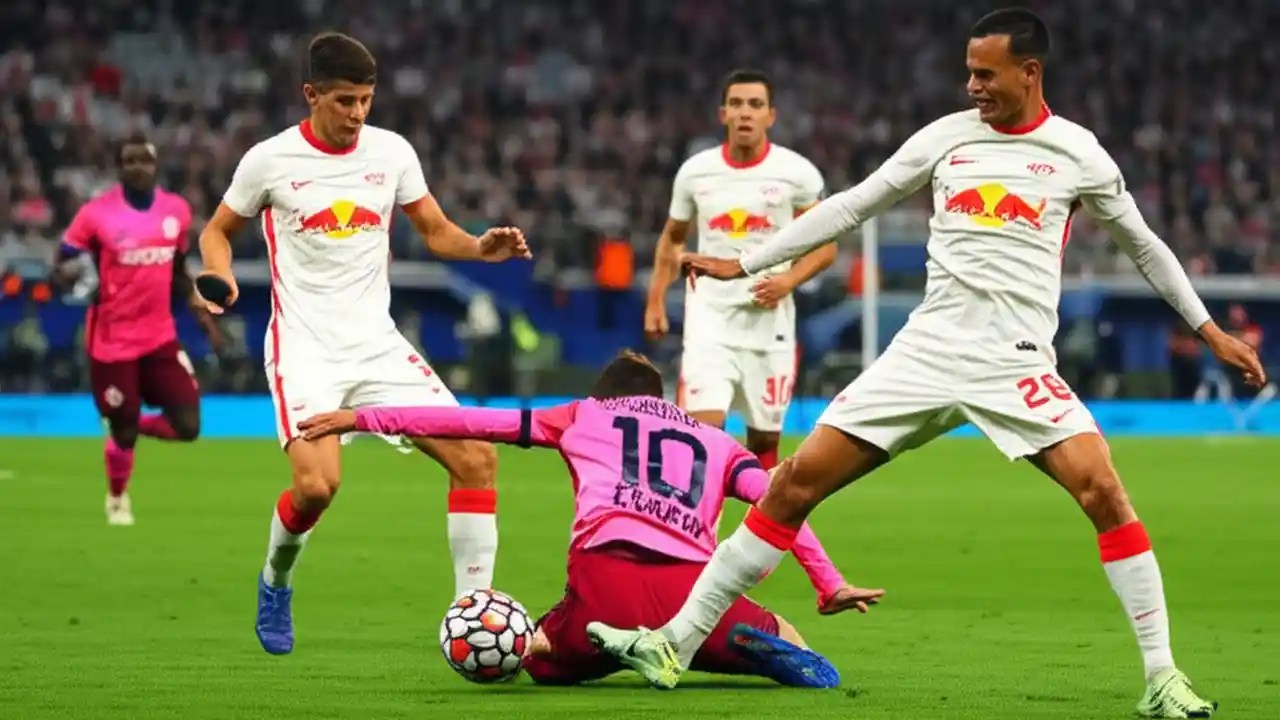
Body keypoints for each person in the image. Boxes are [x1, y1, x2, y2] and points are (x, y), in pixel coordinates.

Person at [589, 9, 1265, 718]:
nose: (971, 85)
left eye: (985, 73)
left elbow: (1145, 245)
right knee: (790, 485)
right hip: (924, 352)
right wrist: (747, 260)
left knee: (1104, 492)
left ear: (1029, 72)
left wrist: (1209, 329)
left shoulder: (1077, 153)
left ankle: (1162, 677)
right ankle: (672, 642)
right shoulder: (945, 139)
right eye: (969, 70)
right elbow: (853, 206)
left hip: (1014, 361)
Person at [194, 32, 531, 656]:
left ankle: (471, 619)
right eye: (345, 100)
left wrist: (482, 246)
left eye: (366, 101)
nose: (357, 113)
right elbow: (217, 231)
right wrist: (215, 277)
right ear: (311, 94)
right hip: (305, 348)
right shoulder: (270, 160)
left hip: (377, 345)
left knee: (477, 460)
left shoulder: (392, 152)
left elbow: (435, 231)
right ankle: (277, 578)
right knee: (318, 487)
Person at [297, 351, 877, 688]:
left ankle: (554, 641)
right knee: (787, 640)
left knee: (539, 655)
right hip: (697, 594)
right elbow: (782, 505)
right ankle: (734, 645)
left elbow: (472, 423)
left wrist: (362, 417)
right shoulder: (718, 442)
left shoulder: (581, 415)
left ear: (603, 395)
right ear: (666, 400)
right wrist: (828, 583)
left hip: (606, 583)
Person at [644, 69, 835, 471]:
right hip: (710, 319)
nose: (745, 112)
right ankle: (699, 532)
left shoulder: (797, 173)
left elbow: (826, 246)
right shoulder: (697, 173)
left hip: (769, 324)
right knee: (701, 435)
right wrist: (657, 298)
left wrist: (788, 281)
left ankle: (758, 532)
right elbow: (673, 237)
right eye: (736, 104)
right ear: (722, 114)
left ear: (771, 115)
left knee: (764, 446)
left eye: (755, 105)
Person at [54, 133, 224, 526]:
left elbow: (178, 274)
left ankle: (122, 423)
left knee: (188, 426)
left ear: (155, 165)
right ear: (119, 168)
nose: (137, 167)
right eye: (128, 161)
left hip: (159, 336)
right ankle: (117, 498)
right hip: (111, 342)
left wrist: (204, 318)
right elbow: (62, 260)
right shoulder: (96, 215)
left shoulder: (176, 211)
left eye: (143, 160)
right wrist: (68, 276)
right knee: (126, 435)